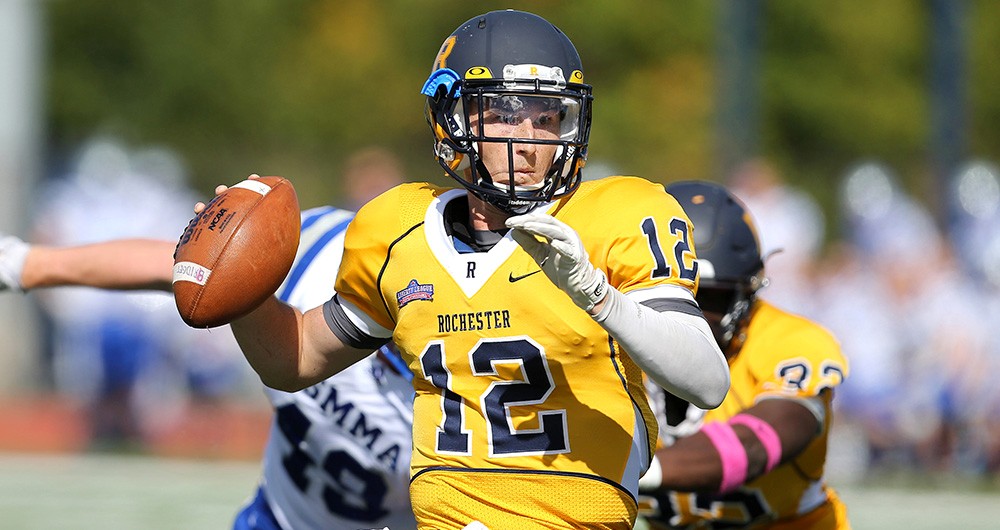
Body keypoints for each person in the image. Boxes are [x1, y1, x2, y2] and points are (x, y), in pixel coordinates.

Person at [210, 10, 729, 529]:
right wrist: (239, 285)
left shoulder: (617, 214)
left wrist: (597, 294)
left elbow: (705, 381)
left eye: (547, 116)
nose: (530, 140)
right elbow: (294, 359)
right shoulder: (399, 229)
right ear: (451, 118)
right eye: (505, 113)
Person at [0, 205, 419, 530]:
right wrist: (24, 264)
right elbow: (171, 267)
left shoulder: (458, 403)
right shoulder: (325, 259)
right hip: (273, 518)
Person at [636, 181, 851, 529]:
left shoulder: (789, 342)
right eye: (670, 292)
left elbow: (756, 443)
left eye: (707, 298)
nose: (687, 314)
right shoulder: (607, 347)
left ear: (746, 292)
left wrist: (637, 470)